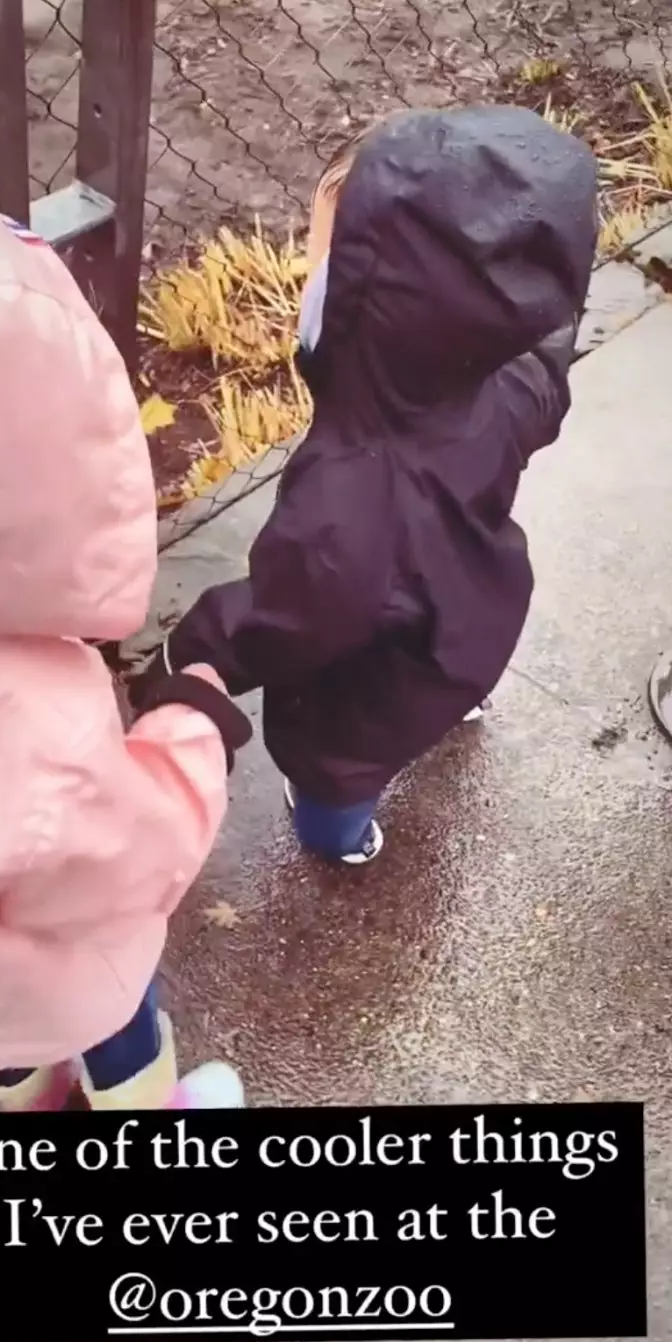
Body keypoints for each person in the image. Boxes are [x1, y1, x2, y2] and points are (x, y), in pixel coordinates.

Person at [0, 173, 251, 1112]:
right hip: (38, 968)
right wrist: (192, 727)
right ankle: (147, 1125)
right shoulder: (6, 714)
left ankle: (32, 1101)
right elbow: (116, 860)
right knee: (108, 1019)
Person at [144, 106, 598, 865]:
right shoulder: (499, 386)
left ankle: (340, 837)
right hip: (472, 622)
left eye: (331, 267)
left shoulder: (349, 490)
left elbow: (293, 615)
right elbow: (545, 372)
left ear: (367, 310)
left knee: (336, 774)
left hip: (367, 693)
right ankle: (459, 707)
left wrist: (193, 653)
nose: (311, 280)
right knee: (443, 674)